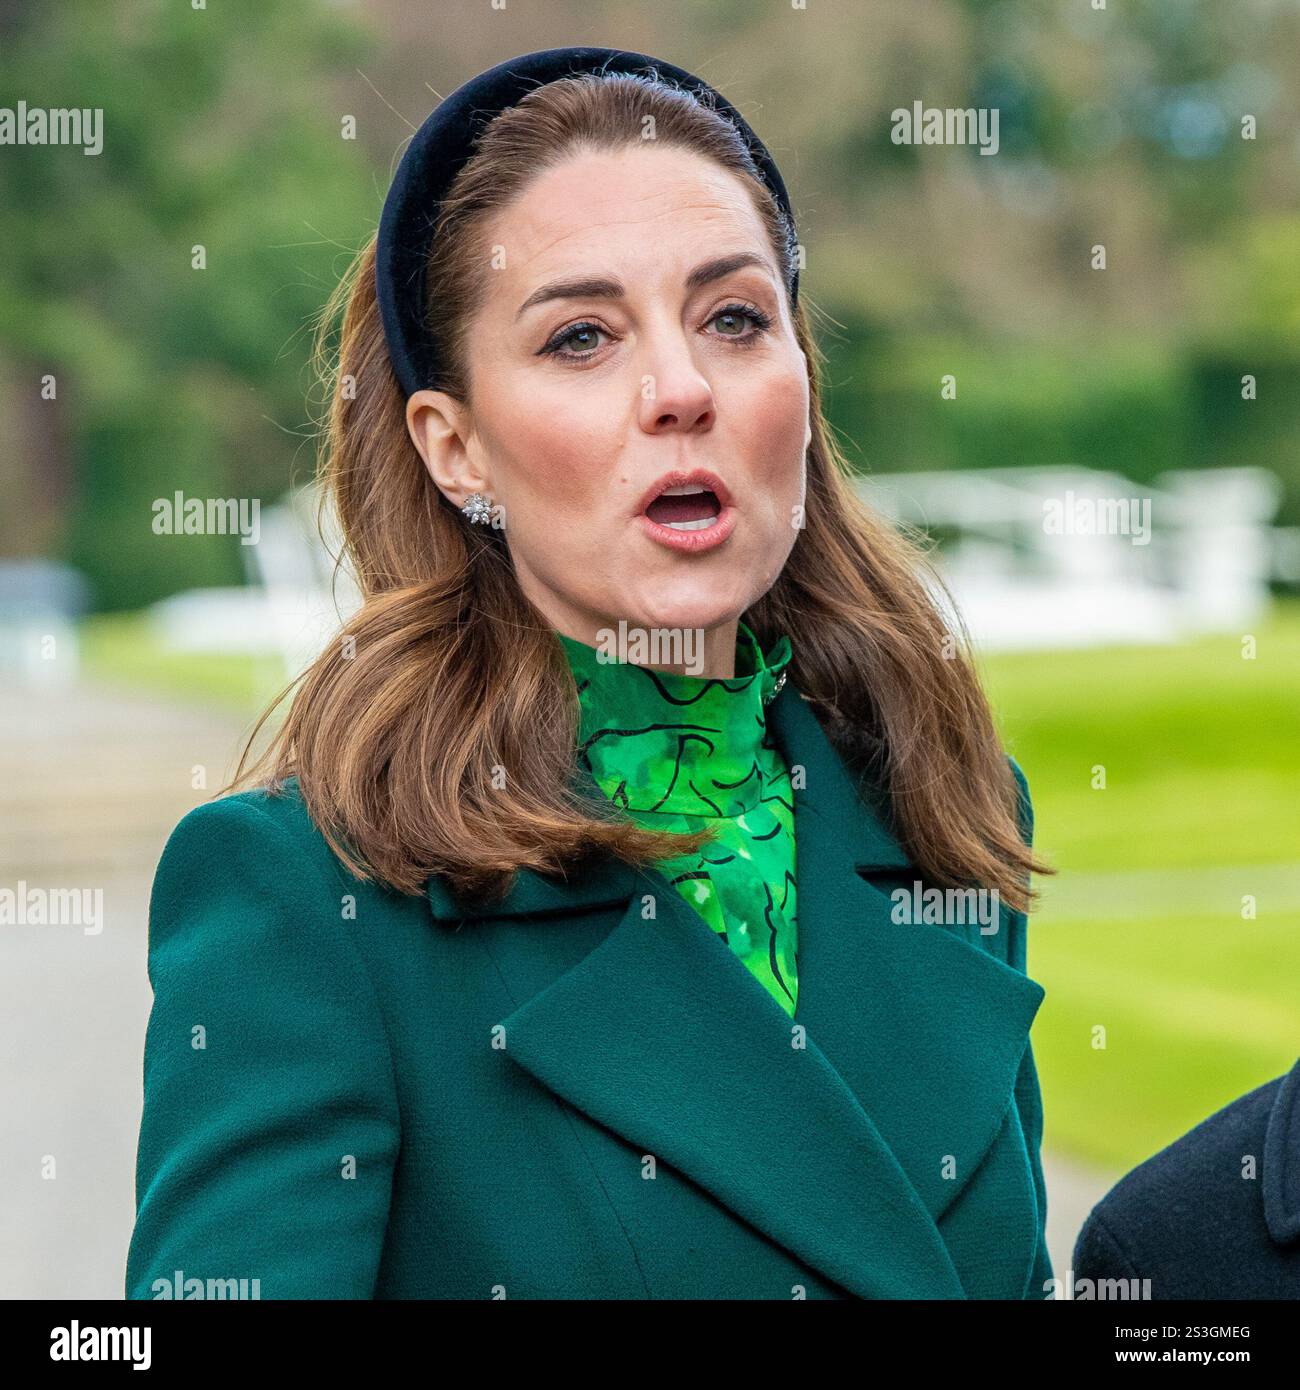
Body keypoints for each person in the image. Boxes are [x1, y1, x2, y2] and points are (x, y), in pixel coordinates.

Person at [125, 45, 1054, 1300]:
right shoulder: (307, 899)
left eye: (733, 318)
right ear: (456, 450)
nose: (681, 390)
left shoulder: (944, 816)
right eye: (580, 338)